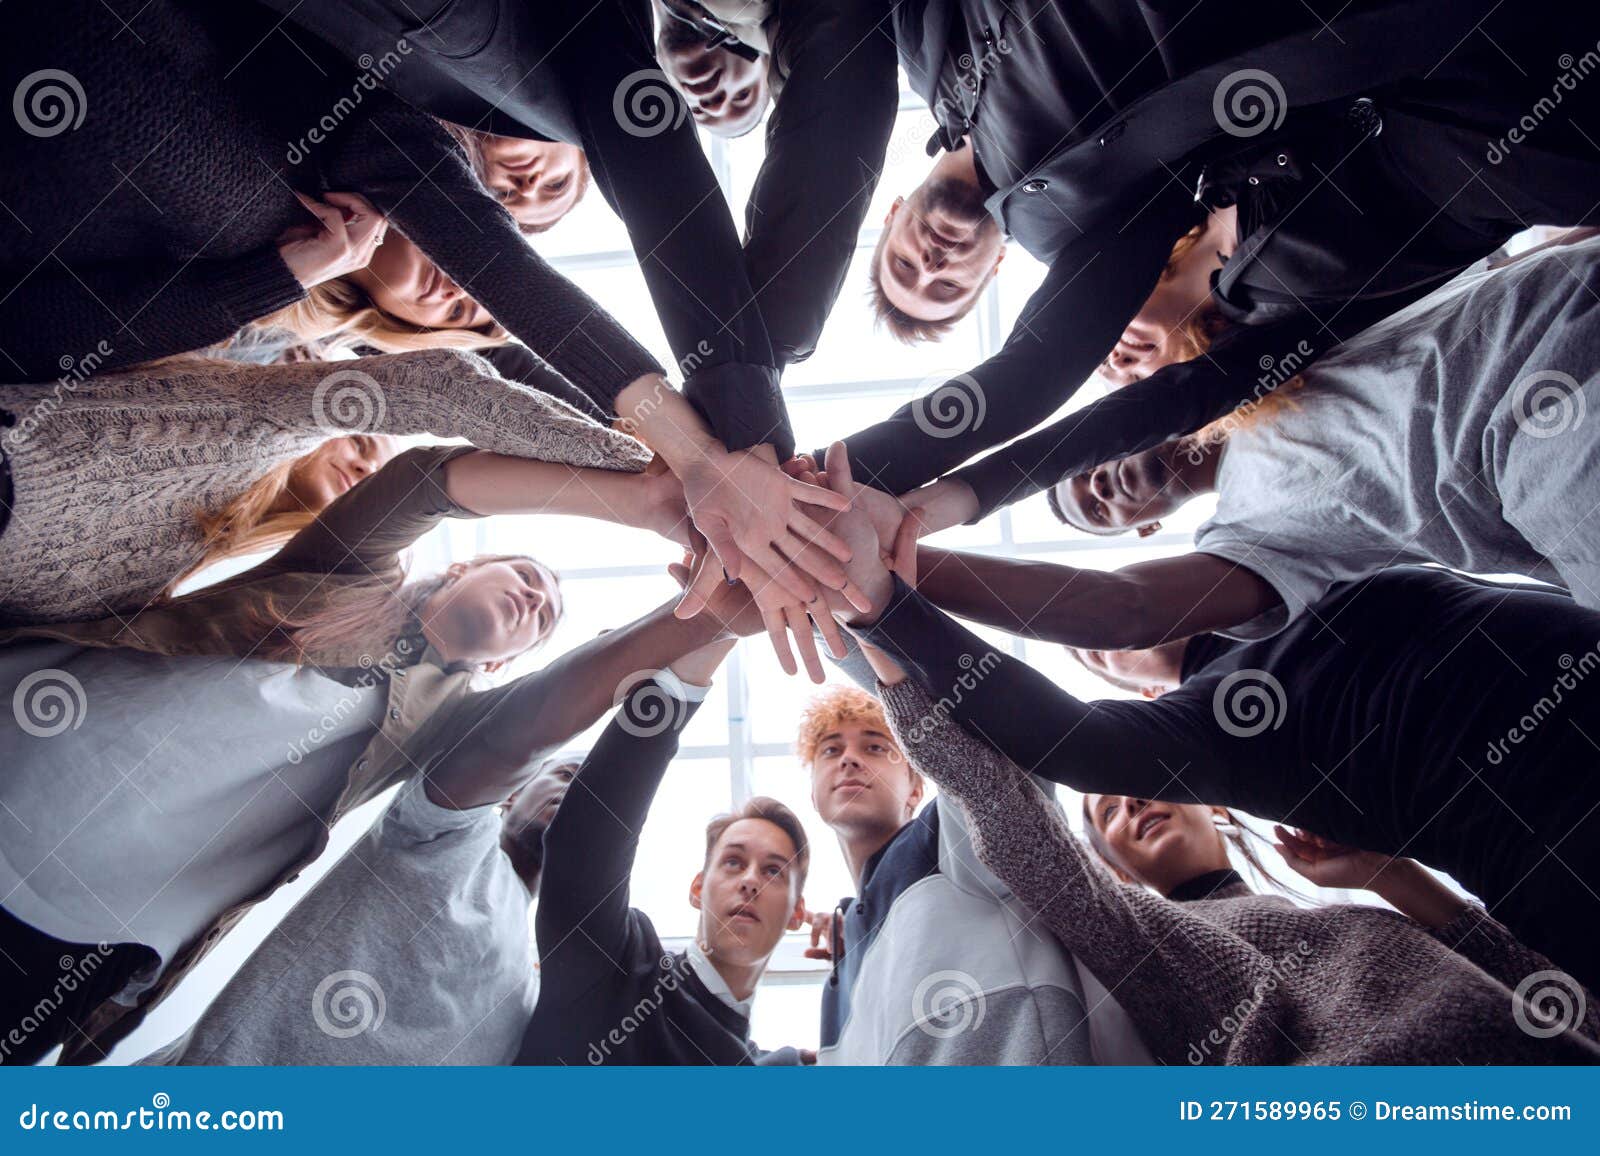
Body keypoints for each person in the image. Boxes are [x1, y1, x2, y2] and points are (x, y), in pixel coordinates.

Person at [0, 445, 745, 1064]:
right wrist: (638, 500)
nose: (535, 600)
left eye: (544, 619)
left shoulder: (443, 731)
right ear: (459, 568)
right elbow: (425, 481)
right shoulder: (341, 576)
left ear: (503, 665)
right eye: (524, 575)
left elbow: (540, 719)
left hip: (81, 939)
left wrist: (716, 612)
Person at [832, 0, 1600, 534]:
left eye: (908, 266)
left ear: (889, 211)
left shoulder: (1200, 158)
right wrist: (932, 492)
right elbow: (1039, 371)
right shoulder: (1259, 320)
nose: (1114, 363)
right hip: (1555, 138)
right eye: (1119, 374)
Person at [860, 655, 1600, 1063]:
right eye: (1107, 811)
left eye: (1137, 790)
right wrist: (891, 653)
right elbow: (1025, 837)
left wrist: (1387, 875)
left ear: (1209, 803)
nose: (1132, 805)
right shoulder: (1155, 942)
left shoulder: (1346, 910)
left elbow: (1551, 990)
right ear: (1111, 864)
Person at [1038, 235, 1600, 638]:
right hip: (1537, 462)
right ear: (1146, 528)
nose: (1099, 486)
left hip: (1570, 292)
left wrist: (1569, 241)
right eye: (1097, 510)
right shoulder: (1241, 536)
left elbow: (1448, 283)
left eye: (1082, 469)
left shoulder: (1249, 339)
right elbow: (1131, 606)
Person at [0, 348, 680, 626]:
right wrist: (649, 475)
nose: (362, 468)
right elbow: (444, 388)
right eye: (360, 443)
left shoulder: (181, 565)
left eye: (372, 471)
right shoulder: (258, 420)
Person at [518, 586, 811, 1066]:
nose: (751, 881)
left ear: (799, 913)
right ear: (698, 888)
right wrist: (722, 622)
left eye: (775, 872)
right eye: (733, 861)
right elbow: (582, 843)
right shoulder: (619, 966)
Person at [143, 753, 579, 1066]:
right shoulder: (455, 832)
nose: (582, 795)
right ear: (513, 793)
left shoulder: (533, 984)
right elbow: (515, 736)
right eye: (568, 774)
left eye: (599, 796)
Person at [797, 684, 1136, 1065]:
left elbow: (994, 730)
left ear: (915, 786)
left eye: (875, 746)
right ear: (813, 795)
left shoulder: (951, 834)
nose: (849, 760)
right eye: (831, 749)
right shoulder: (840, 971)